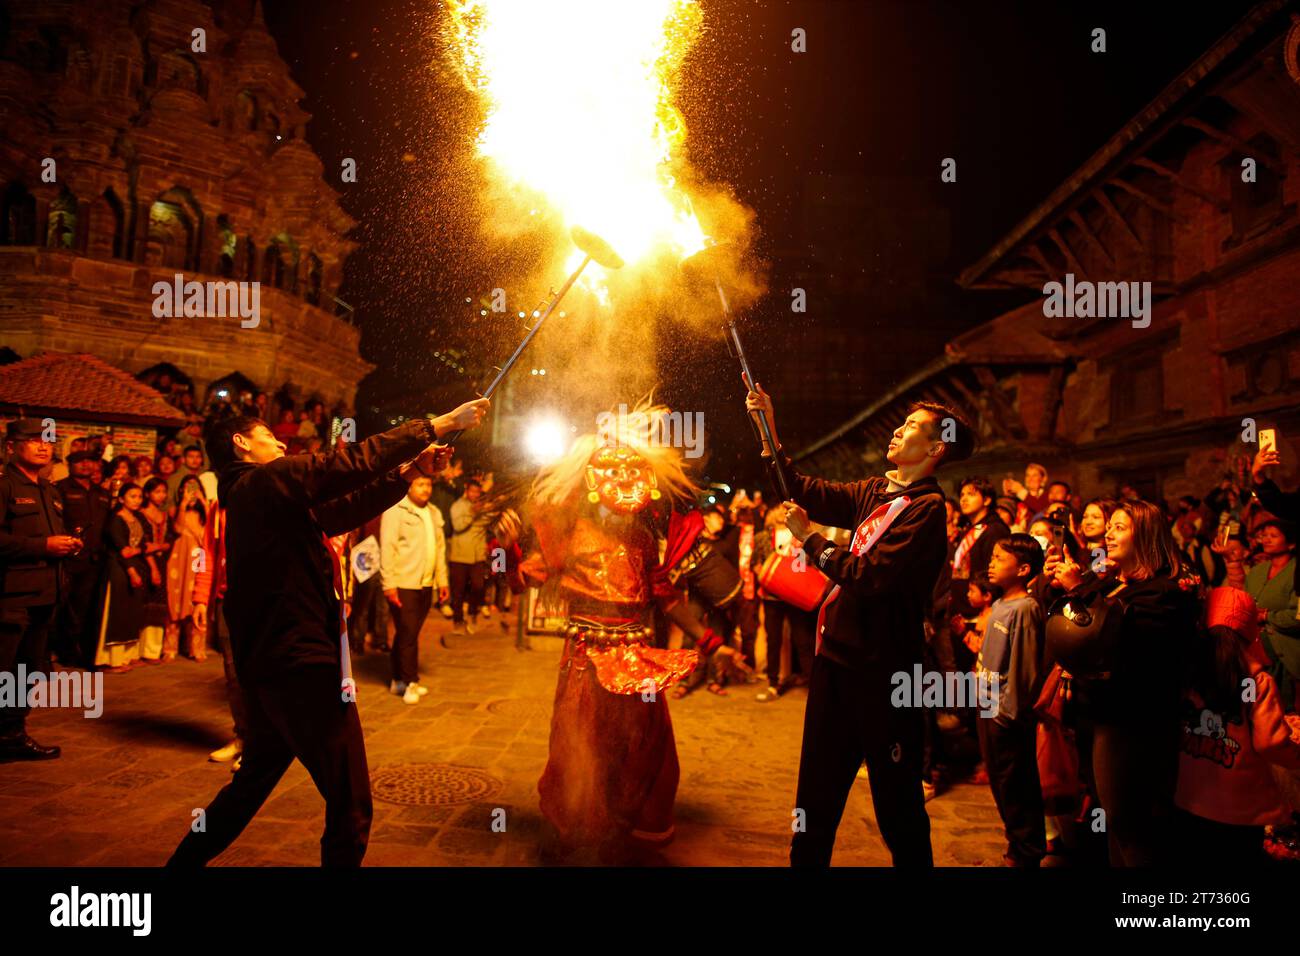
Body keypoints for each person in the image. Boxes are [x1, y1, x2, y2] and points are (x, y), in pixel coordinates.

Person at [167, 399, 486, 868]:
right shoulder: (259, 482)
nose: (279, 443)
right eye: (267, 437)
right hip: (301, 666)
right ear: (240, 444)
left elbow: (344, 508)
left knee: (251, 783)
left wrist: (410, 470)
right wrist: (436, 425)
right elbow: (345, 464)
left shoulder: (263, 496)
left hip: (275, 665)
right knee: (351, 800)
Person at [746, 383, 975, 867]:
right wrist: (768, 429)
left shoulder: (928, 510)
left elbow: (868, 577)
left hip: (885, 675)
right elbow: (803, 489)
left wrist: (809, 538)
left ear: (936, 449)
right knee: (815, 796)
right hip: (836, 663)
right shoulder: (873, 490)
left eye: (912, 426)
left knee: (897, 806)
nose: (898, 428)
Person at [1045, 499, 1200, 866]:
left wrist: (1078, 589)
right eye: (1109, 526)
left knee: (1132, 827)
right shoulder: (1114, 582)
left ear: (1145, 534)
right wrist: (1071, 585)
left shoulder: (1164, 591)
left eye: (1119, 527)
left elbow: (1112, 634)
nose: (1109, 535)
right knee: (1114, 821)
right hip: (1101, 715)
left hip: (1133, 723)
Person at [1175, 587, 1300, 866]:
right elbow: (1269, 742)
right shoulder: (1255, 681)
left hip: (1189, 799)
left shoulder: (1187, 670)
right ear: (1251, 629)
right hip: (1241, 810)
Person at [0, 418, 79, 762]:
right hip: (10, 596)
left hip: (45, 595)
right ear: (11, 447)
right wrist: (42, 546)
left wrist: (67, 544)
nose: (43, 446)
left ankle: (11, 734)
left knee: (26, 672)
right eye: (33, 440)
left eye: (47, 440)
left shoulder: (49, 490)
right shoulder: (4, 486)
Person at [976, 534, 1047, 866]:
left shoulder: (1026, 608)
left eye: (999, 559)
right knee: (1002, 786)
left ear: (1023, 569)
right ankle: (1015, 847)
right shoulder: (1001, 603)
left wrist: (1009, 712)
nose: (991, 563)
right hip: (988, 708)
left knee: (1017, 787)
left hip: (1007, 714)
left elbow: (1023, 667)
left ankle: (1027, 851)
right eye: (991, 557)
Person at [379, 475, 449, 704]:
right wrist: (388, 584)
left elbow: (439, 549)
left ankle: (397, 678)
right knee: (408, 633)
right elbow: (387, 548)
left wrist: (442, 581)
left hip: (426, 583)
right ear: (409, 486)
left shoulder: (434, 513)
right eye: (420, 484)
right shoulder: (396, 511)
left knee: (407, 633)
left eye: (428, 484)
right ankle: (410, 683)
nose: (425, 489)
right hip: (404, 582)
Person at [752, 504, 816, 702]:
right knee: (774, 640)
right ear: (771, 514)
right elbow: (754, 564)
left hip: (795, 597)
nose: (781, 511)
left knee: (803, 640)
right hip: (771, 597)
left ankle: (814, 686)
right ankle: (773, 684)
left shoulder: (800, 537)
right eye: (777, 509)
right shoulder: (762, 537)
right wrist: (769, 576)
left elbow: (809, 565)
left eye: (785, 509)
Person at [54, 449, 112, 667]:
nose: (86, 465)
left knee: (88, 608)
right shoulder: (60, 489)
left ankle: (86, 655)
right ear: (70, 464)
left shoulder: (102, 493)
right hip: (68, 558)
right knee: (64, 607)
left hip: (95, 560)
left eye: (90, 461)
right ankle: (63, 652)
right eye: (80, 461)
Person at [1244, 519, 1298, 712]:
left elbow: (1298, 616)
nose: (1266, 540)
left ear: (1291, 543)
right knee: (1252, 701)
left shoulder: (1296, 572)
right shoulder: (1257, 572)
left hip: (1285, 653)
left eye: (1273, 536)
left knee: (1283, 711)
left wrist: (1267, 616)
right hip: (1254, 650)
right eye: (1264, 535)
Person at [93, 483, 149, 672]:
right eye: (132, 496)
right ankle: (112, 660)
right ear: (121, 499)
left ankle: (129, 655)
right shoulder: (115, 520)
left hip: (135, 567)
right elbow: (122, 550)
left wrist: (140, 552)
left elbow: (146, 545)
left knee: (130, 612)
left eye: (139, 497)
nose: (137, 500)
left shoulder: (138, 517)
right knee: (116, 612)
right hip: (118, 569)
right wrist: (132, 570)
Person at [166, 476, 207, 662]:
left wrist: (203, 502)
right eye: (187, 487)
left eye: (195, 487)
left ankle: (197, 648)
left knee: (196, 600)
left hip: (199, 556)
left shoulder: (206, 510)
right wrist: (183, 504)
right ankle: (170, 648)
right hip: (179, 558)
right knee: (175, 599)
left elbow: (208, 532)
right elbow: (178, 528)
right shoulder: (175, 509)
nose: (191, 490)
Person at [448, 479, 490, 634]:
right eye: (473, 491)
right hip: (459, 556)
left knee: (478, 586)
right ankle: (458, 621)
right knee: (458, 591)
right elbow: (458, 526)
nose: (475, 494)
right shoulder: (458, 506)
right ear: (467, 490)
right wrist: (472, 512)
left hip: (477, 556)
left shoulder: (483, 507)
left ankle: (472, 613)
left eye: (478, 492)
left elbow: (488, 524)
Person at [138, 477, 174, 662]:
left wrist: (158, 547)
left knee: (158, 607)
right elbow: (143, 545)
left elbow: (168, 542)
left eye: (163, 491)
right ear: (147, 494)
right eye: (157, 491)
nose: (161, 495)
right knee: (142, 606)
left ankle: (152, 650)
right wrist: (152, 565)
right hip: (144, 564)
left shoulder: (165, 515)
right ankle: (138, 650)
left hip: (162, 564)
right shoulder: (140, 514)